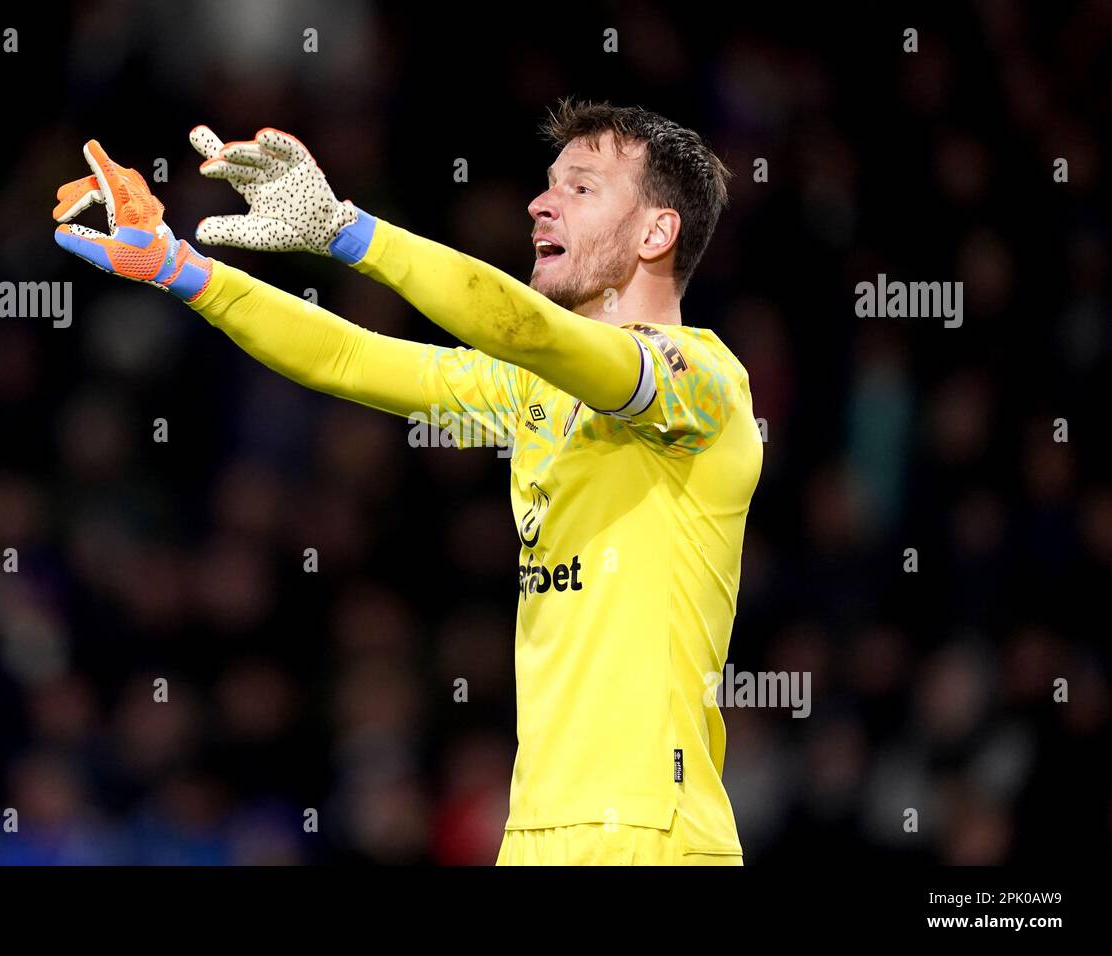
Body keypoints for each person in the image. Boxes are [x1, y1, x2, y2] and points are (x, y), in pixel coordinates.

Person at [53, 97, 760, 865]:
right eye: (548, 182)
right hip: (534, 834)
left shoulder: (703, 387)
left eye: (581, 187)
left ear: (658, 232)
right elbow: (350, 359)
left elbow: (519, 327)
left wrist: (348, 232)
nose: (540, 202)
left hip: (652, 835)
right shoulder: (534, 394)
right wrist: (179, 268)